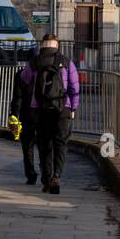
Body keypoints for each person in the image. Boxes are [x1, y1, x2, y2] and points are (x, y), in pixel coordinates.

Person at [20, 34, 79, 194]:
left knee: (44, 144)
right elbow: (74, 88)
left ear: (42, 45)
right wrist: (73, 108)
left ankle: (46, 179)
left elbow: (24, 79)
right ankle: (56, 176)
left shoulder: (34, 62)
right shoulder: (66, 62)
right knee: (60, 144)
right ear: (57, 45)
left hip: (39, 108)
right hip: (62, 108)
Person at [9, 47, 40, 185]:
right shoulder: (45, 74)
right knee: (44, 145)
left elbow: (17, 98)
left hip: (26, 114)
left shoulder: (21, 74)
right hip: (42, 114)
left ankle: (30, 174)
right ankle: (46, 172)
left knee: (27, 145)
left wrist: (14, 114)